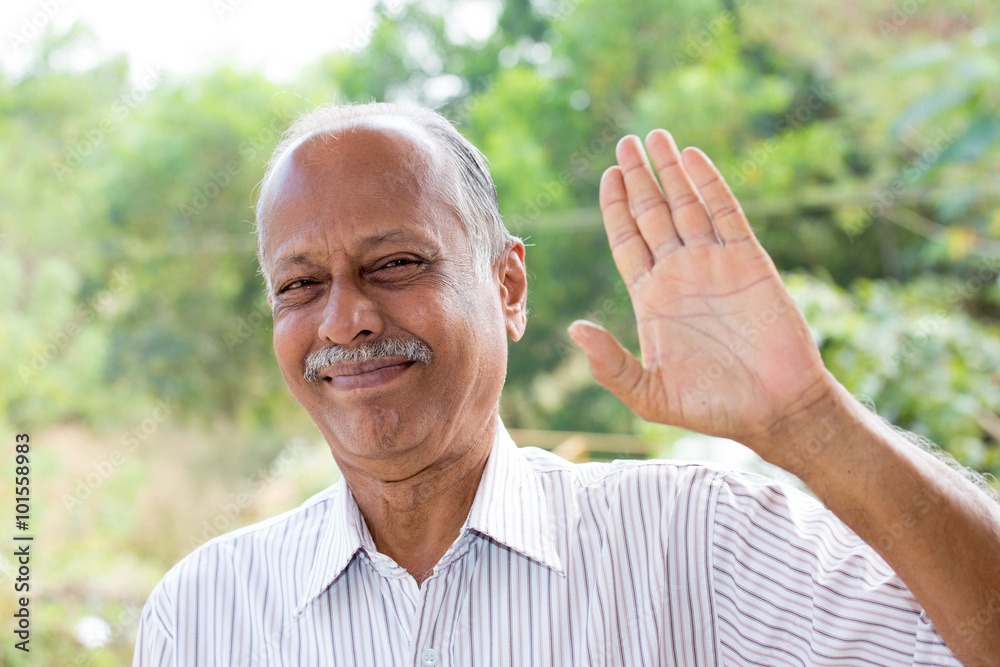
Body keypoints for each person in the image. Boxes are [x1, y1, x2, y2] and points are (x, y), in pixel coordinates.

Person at [133, 102, 1000, 666]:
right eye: (300, 284)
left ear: (508, 285)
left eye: (395, 263)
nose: (345, 319)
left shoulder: (692, 545)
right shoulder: (206, 612)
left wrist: (811, 421)